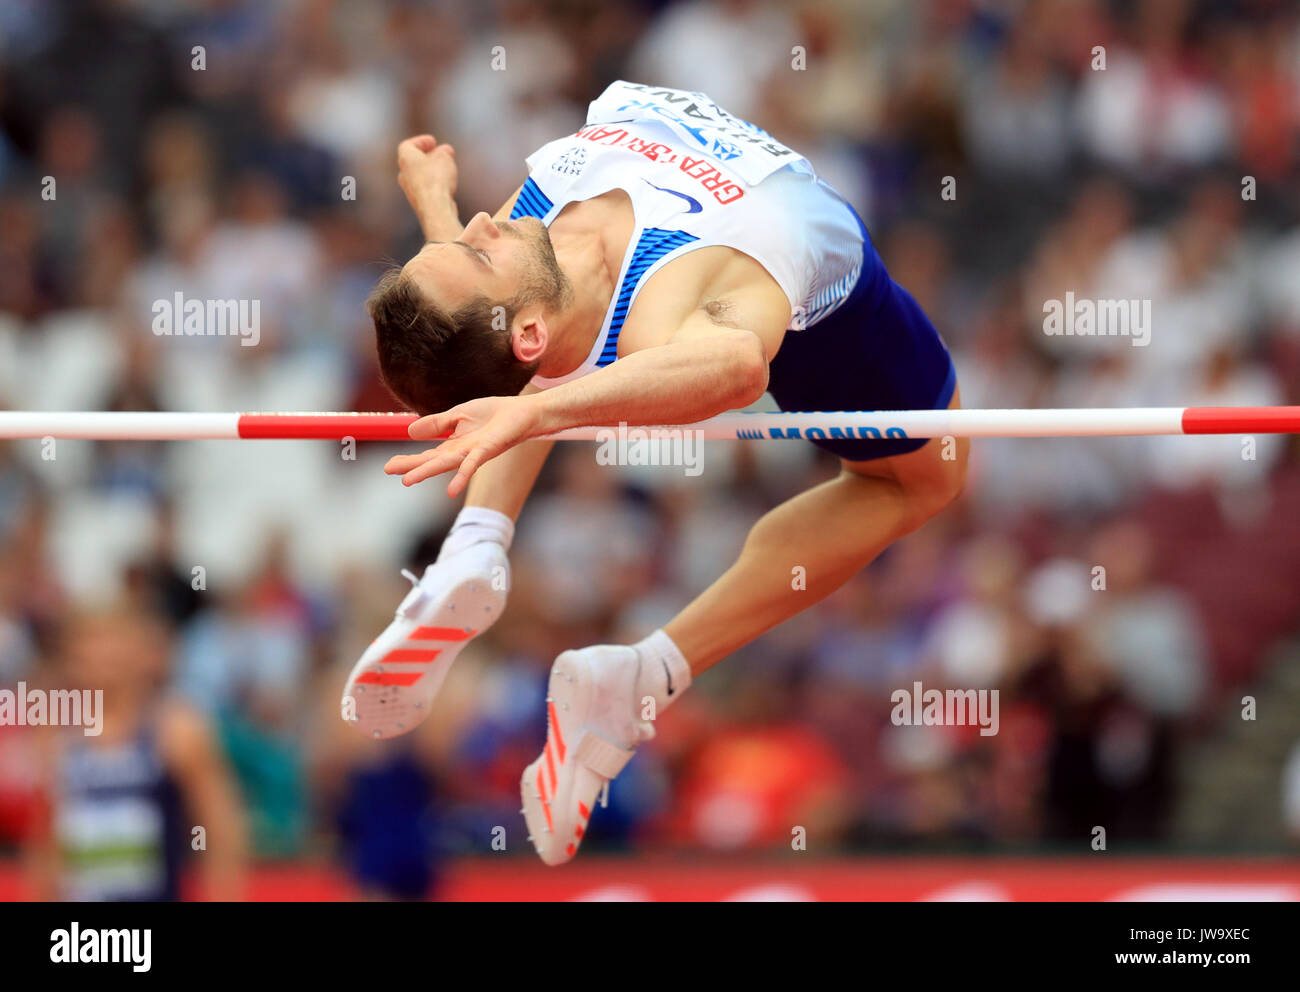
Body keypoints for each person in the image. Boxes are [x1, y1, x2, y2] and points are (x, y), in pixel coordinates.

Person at [344, 81, 967, 865]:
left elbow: (490, 321)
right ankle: (646, 669)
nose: (481, 219)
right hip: (806, 289)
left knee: (512, 346)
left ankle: (476, 543)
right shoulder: (659, 311)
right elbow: (738, 367)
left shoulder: (533, 231)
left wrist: (435, 206)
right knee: (926, 478)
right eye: (469, 244)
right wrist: (535, 413)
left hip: (649, 216)